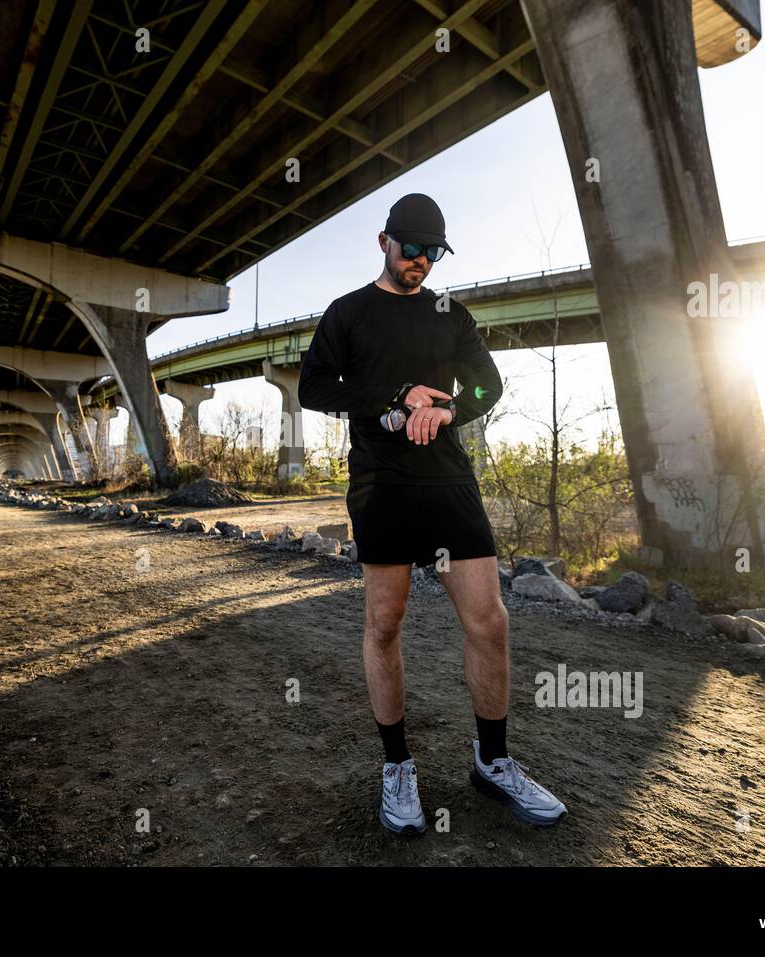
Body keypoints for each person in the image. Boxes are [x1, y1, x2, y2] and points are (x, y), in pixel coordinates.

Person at [298, 193, 567, 836]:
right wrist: (394, 396)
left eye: (432, 253)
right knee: (385, 623)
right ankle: (397, 767)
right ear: (383, 242)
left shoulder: (451, 313)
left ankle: (493, 761)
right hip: (381, 484)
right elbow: (314, 388)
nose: (420, 263)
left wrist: (448, 410)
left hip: (447, 480)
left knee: (490, 621)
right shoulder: (348, 313)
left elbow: (488, 384)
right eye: (410, 249)